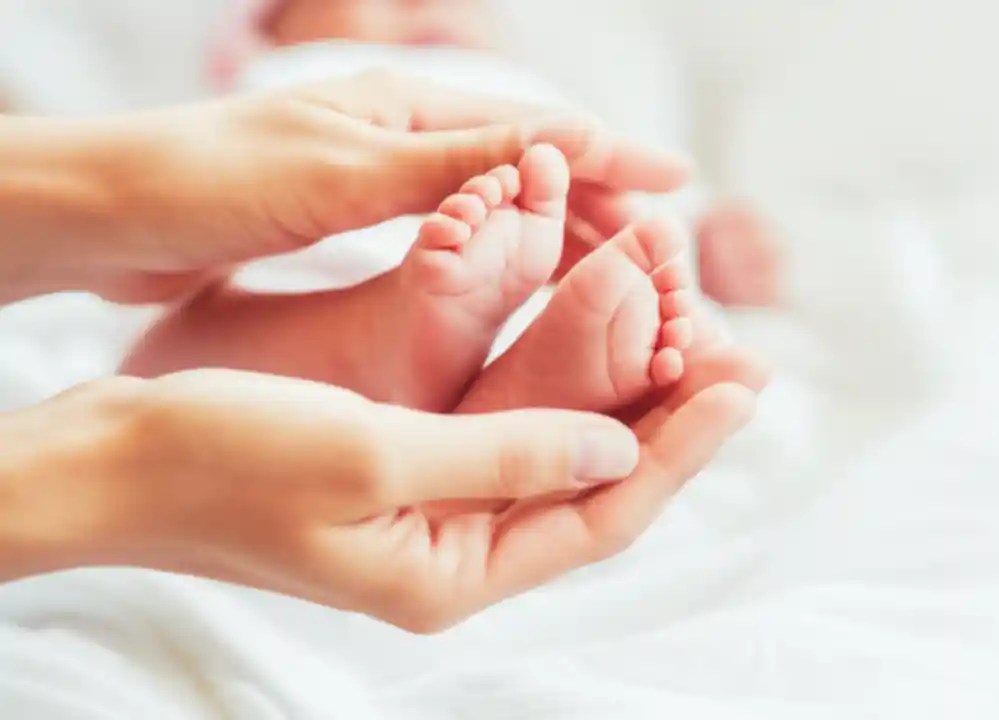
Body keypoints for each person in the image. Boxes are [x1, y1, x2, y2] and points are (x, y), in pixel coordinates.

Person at [0, 71, 766, 634]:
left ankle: (419, 357)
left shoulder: (547, 76)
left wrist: (720, 239)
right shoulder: (265, 82)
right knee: (191, 343)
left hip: (495, 229)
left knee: (186, 355)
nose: (427, 9)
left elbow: (683, 209)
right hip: (314, 232)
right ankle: (398, 350)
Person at [209, 0, 786, 309]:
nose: (426, 5)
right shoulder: (286, 79)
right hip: (328, 283)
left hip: (532, 288)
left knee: (607, 232)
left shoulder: (511, 86)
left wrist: (697, 231)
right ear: (273, 28)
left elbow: (609, 167)